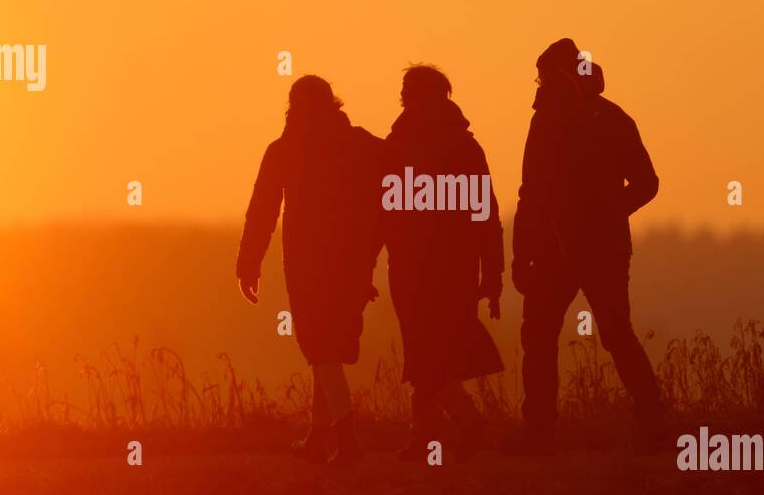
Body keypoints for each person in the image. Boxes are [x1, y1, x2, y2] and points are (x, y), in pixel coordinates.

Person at [509, 39, 662, 454]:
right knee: (554, 336)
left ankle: (649, 421)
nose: (541, 85)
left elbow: (647, 183)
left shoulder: (605, 119)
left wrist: (604, 217)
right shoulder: (600, 118)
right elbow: (531, 191)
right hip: (572, 250)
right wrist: (523, 253)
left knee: (602, 334)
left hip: (587, 250)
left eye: (545, 77)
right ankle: (542, 431)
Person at [236, 75, 385, 464]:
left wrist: (249, 263)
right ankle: (320, 435)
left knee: (320, 347)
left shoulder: (285, 150)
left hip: (308, 265)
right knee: (327, 347)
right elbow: (394, 180)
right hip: (352, 262)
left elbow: (262, 210)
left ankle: (347, 435)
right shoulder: (358, 145)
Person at [383, 65, 503, 459]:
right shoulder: (465, 145)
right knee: (432, 351)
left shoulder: (399, 145)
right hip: (456, 267)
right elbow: (485, 211)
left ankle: (463, 419)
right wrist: (493, 270)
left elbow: (383, 211)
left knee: (425, 352)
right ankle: (426, 437)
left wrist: (366, 262)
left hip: (415, 267)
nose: (402, 95)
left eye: (407, 89)